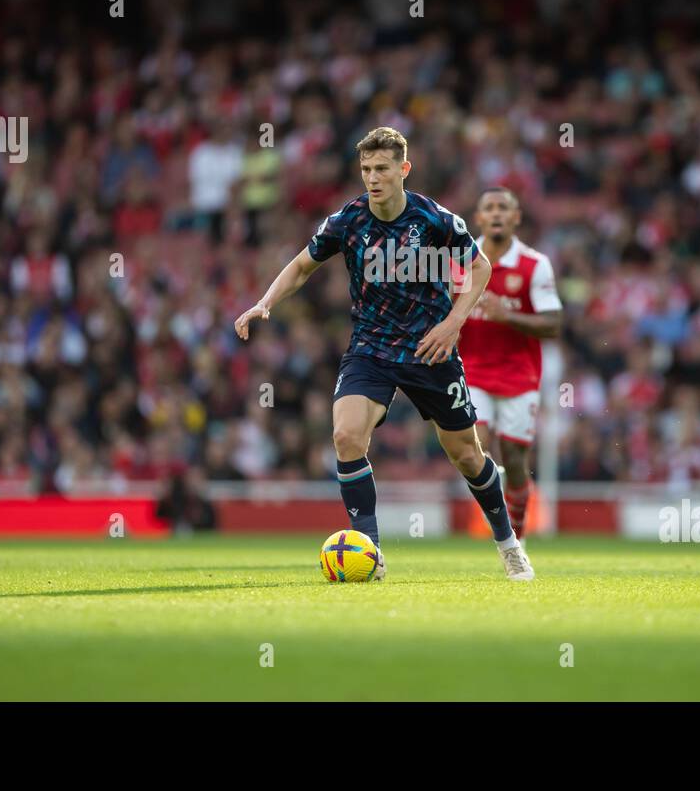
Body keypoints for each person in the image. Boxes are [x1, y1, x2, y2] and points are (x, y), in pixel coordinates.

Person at [235, 127, 534, 580]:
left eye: (381, 169)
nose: (372, 178)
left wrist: (453, 323)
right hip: (371, 349)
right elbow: (300, 266)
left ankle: (508, 544)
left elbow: (480, 266)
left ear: (403, 170)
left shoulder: (433, 219)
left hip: (430, 350)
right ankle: (370, 552)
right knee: (346, 437)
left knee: (468, 457)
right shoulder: (347, 221)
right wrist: (265, 302)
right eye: (366, 169)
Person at [459, 187, 563, 542]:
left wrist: (507, 317)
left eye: (504, 207)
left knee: (515, 458)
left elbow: (553, 324)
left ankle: (515, 531)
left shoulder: (534, 264)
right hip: (472, 371)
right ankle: (501, 529)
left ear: (516, 217)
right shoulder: (459, 262)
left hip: (520, 374)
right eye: (489, 207)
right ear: (479, 218)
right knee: (476, 445)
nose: (497, 213)